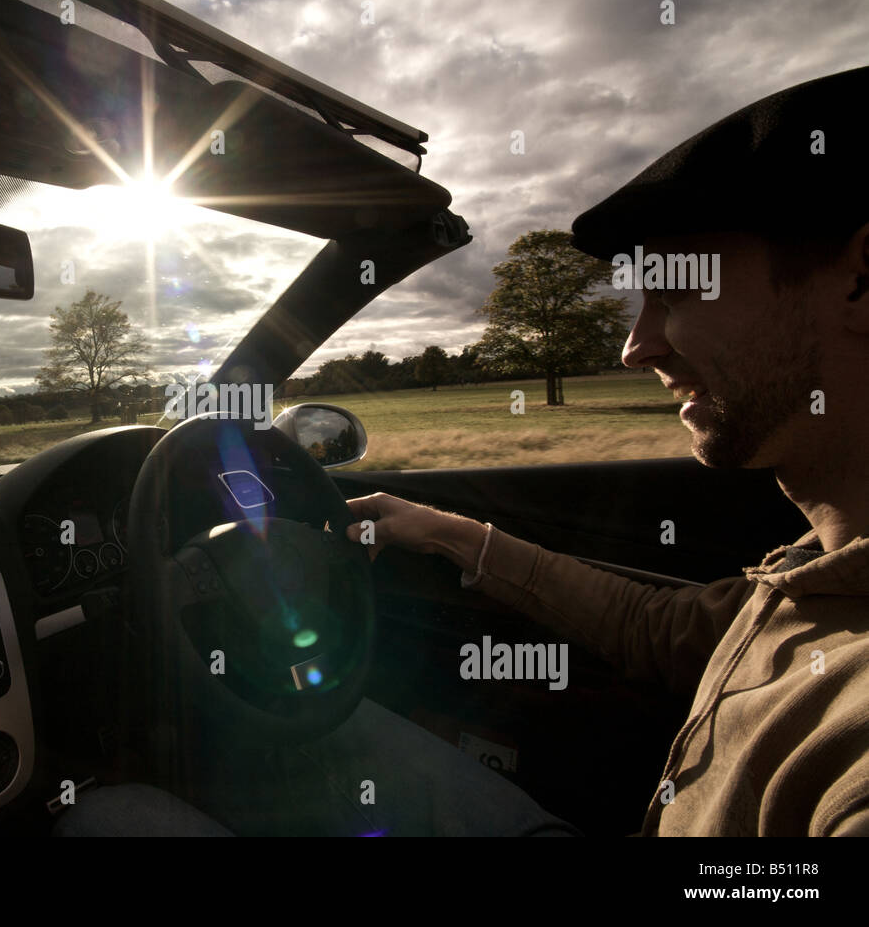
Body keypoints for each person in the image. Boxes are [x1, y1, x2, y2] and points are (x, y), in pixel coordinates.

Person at [57, 64, 869, 836]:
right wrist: (450, 532)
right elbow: (657, 627)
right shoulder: (821, 574)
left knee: (107, 816)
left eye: (681, 288)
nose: (635, 346)